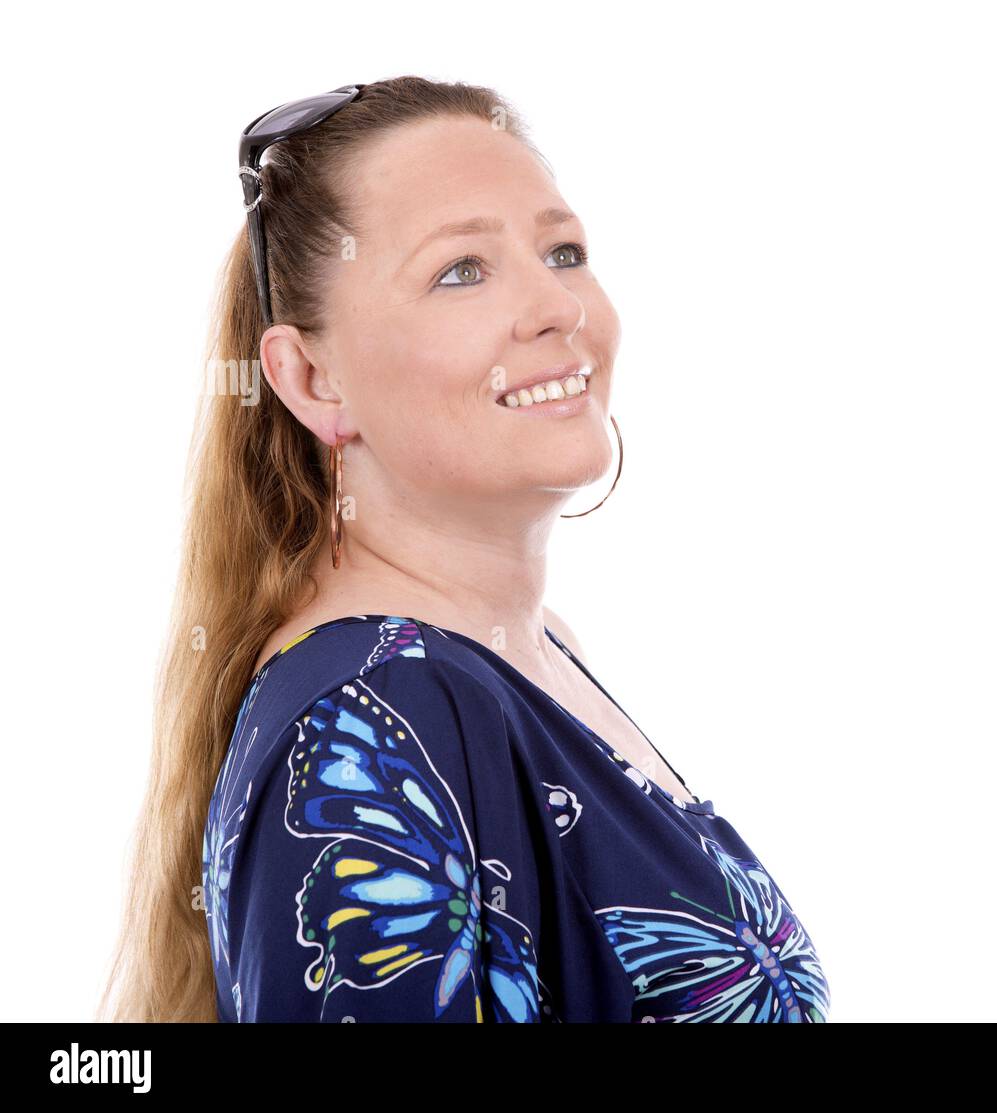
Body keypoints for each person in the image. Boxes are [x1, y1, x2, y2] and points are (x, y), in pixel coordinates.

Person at [98, 75, 830, 1022]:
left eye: (562, 251)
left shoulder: (523, 652)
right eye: (461, 271)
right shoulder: (388, 702)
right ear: (313, 377)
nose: (555, 306)